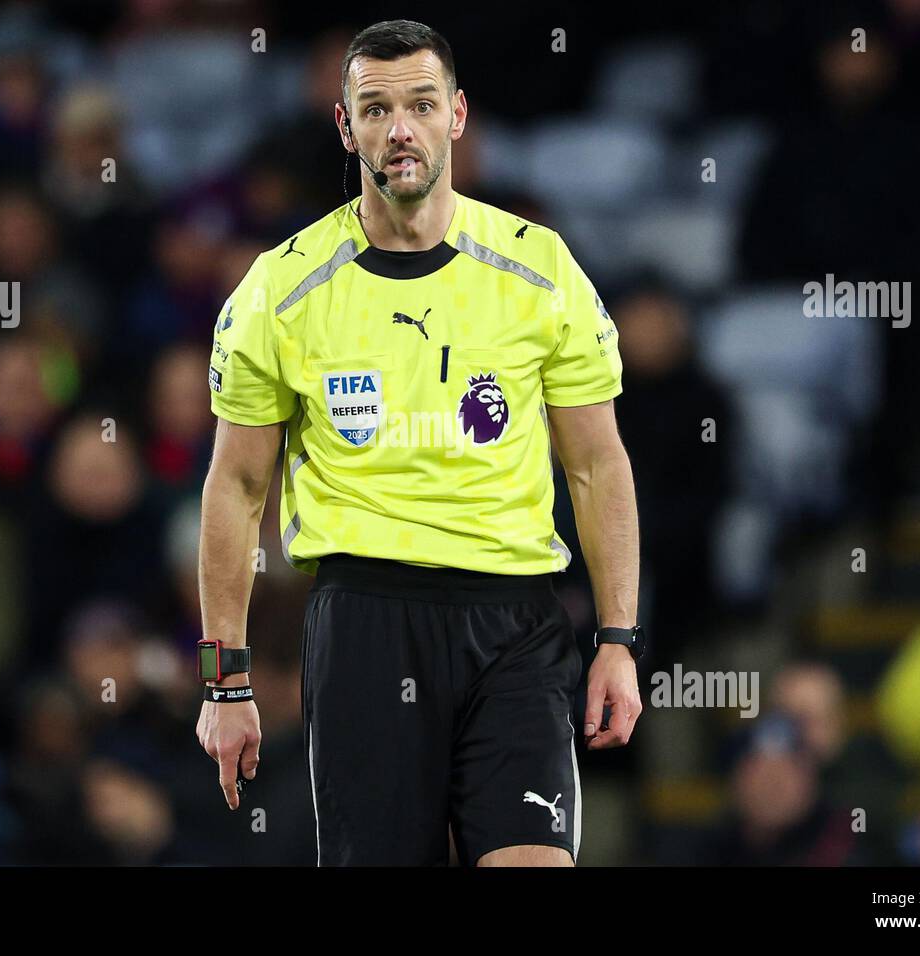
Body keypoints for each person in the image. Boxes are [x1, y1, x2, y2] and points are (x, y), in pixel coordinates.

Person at [197, 20, 642, 867]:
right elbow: (234, 489)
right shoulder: (280, 289)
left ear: (458, 116)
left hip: (515, 622)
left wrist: (618, 639)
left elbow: (596, 462)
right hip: (365, 625)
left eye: (420, 104)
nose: (399, 128)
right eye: (375, 108)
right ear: (345, 126)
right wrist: (227, 679)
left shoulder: (540, 271)